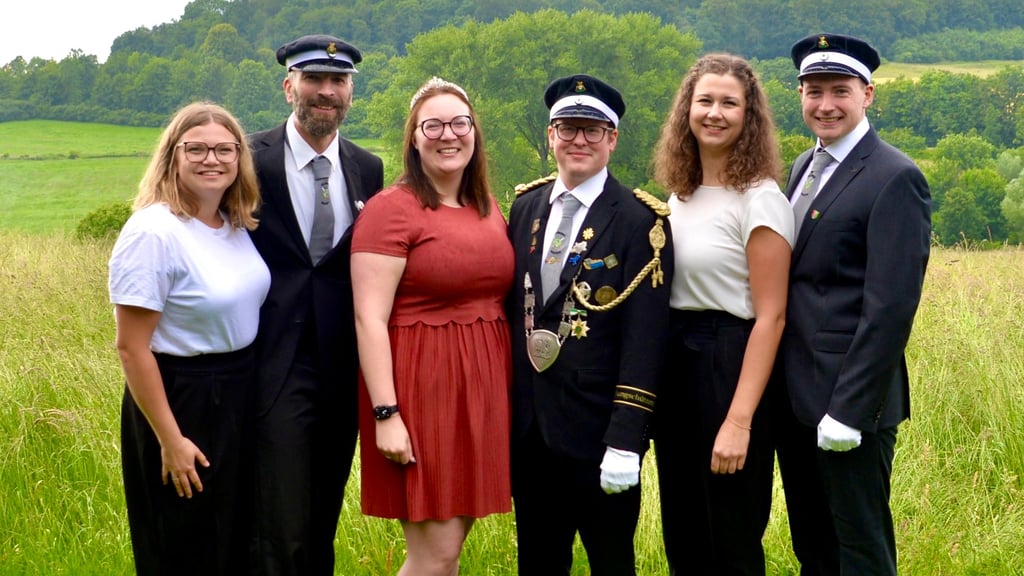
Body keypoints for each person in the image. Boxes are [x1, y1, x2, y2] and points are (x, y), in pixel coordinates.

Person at [772, 33, 931, 575]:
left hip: (849, 405)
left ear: (868, 94)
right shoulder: (801, 167)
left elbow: (890, 309)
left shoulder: (895, 176)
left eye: (839, 90)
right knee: (813, 544)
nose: (825, 105)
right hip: (795, 400)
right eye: (813, 91)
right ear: (799, 94)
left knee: (860, 548)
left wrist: (849, 411)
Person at [507, 73, 673, 575]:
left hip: (600, 433)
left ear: (612, 138)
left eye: (593, 130)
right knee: (537, 559)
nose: (579, 140)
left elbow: (646, 340)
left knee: (611, 561)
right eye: (568, 127)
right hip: (531, 431)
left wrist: (627, 438)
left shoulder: (642, 222)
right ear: (551, 133)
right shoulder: (526, 206)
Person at [351, 76, 514, 575]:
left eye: (459, 123)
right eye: (434, 125)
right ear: (414, 138)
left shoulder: (486, 207)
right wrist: (386, 414)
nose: (449, 135)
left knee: (449, 553)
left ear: (475, 133)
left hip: (483, 389)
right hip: (424, 390)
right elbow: (369, 318)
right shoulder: (391, 210)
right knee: (434, 555)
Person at [109, 101, 271, 576]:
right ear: (172, 156)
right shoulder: (153, 232)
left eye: (225, 149)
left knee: (233, 543)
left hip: (238, 393)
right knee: (185, 544)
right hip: (183, 399)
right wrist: (171, 438)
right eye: (195, 148)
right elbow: (132, 347)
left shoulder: (233, 224)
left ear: (240, 157)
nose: (211, 159)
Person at [649, 53, 794, 575]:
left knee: (730, 536)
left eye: (729, 103)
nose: (714, 112)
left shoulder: (760, 198)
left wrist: (738, 421)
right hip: (678, 369)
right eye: (704, 100)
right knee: (683, 533)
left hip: (730, 363)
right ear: (686, 109)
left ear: (748, 115)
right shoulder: (680, 195)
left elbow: (771, 317)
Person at [247, 34, 384, 575]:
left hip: (339, 366)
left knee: (321, 512)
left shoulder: (367, 168)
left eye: (338, 81)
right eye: (314, 80)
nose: (326, 92)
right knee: (280, 519)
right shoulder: (247, 158)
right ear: (289, 87)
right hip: (271, 361)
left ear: (350, 92)